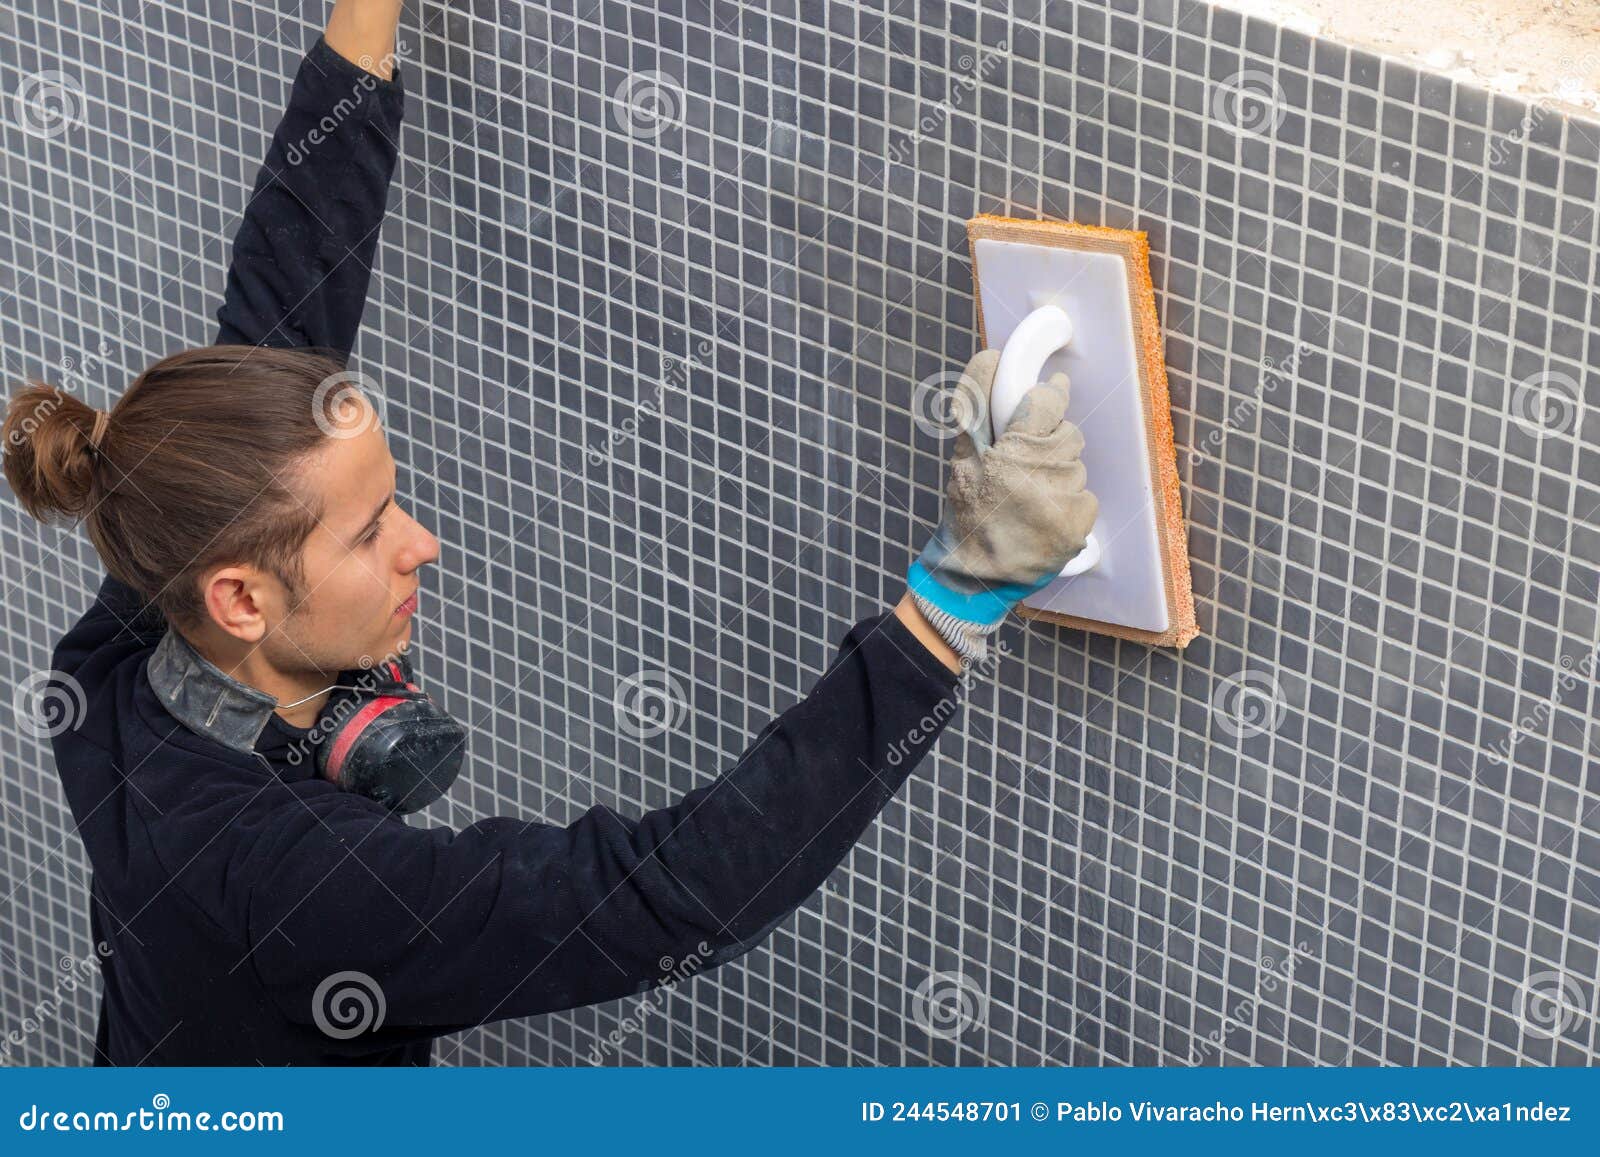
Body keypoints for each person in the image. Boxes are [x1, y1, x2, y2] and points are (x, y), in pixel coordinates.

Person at [1, 0, 1096, 1065]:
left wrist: (364, 23)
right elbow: (669, 894)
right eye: (371, 529)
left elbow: (279, 322)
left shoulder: (117, 659)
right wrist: (956, 599)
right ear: (240, 598)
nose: (421, 543)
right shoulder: (302, 890)